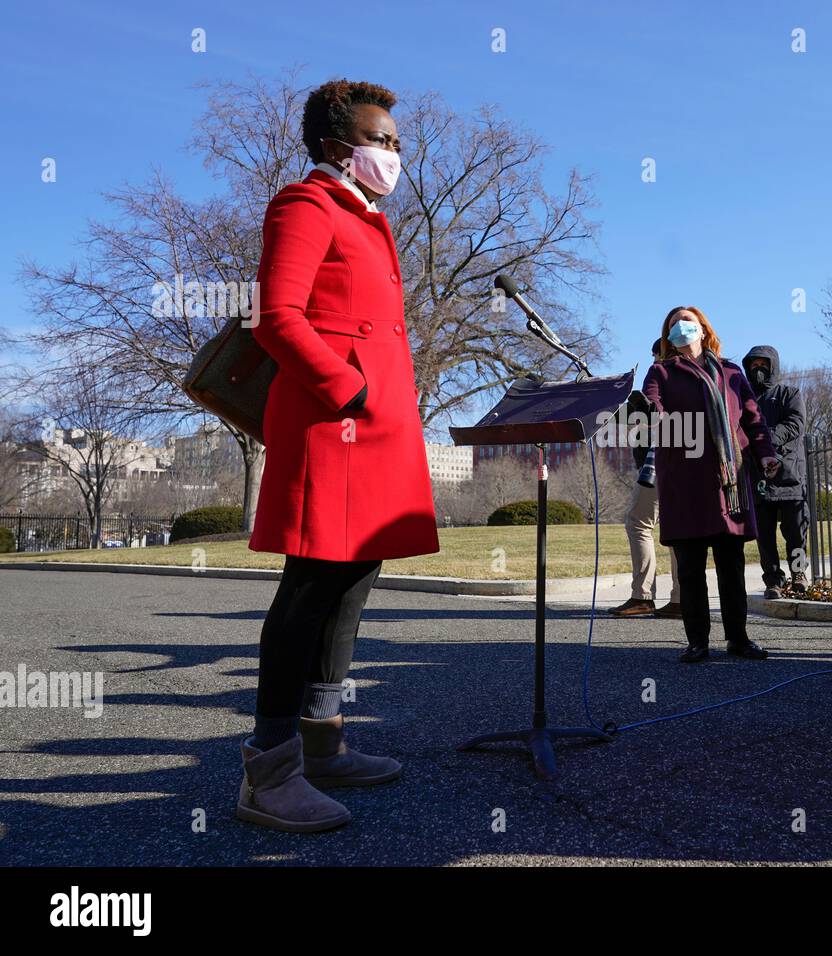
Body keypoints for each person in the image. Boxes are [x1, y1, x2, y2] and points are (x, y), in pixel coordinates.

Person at [240, 79, 440, 831]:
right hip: (334, 425)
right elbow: (274, 316)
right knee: (311, 589)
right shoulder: (306, 204)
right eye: (382, 141)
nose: (395, 153)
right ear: (336, 149)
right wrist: (346, 389)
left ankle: (323, 747)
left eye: (395, 141)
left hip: (378, 432)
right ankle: (269, 770)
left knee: (354, 583)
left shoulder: (366, 217)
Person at [640, 307, 780, 663]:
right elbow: (651, 408)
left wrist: (765, 454)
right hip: (684, 482)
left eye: (687, 322)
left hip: (726, 482)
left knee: (731, 567)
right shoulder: (661, 372)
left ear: (703, 329)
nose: (681, 329)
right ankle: (697, 642)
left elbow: (753, 419)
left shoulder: (732, 373)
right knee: (690, 570)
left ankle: (739, 639)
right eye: (673, 325)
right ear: (667, 336)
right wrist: (645, 411)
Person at [610, 339, 682, 618]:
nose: (653, 361)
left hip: (660, 465)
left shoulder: (662, 381)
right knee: (679, 531)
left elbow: (655, 421)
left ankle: (643, 595)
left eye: (656, 355)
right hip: (686, 467)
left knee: (638, 523)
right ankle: (680, 598)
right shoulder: (695, 377)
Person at [740, 345, 809, 599]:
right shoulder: (743, 399)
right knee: (765, 537)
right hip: (758, 479)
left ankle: (798, 574)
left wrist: (764, 439)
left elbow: (795, 424)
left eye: (763, 365)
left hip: (789, 475)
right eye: (754, 365)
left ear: (773, 367)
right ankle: (773, 581)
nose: (758, 370)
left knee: (796, 532)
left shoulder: (789, 394)